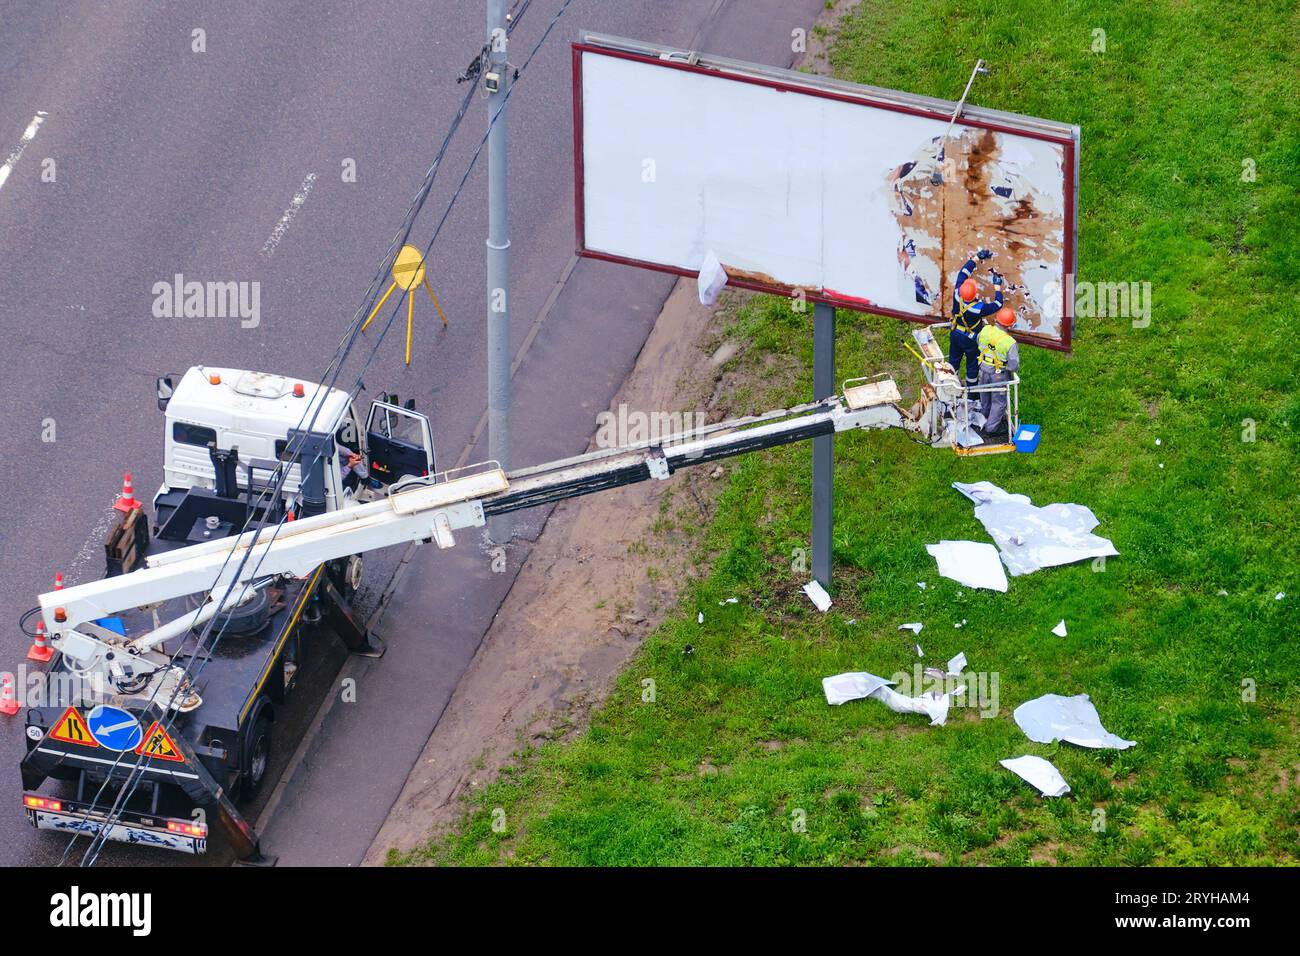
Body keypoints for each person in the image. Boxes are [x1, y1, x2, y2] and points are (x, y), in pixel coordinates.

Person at [949, 248, 1003, 390]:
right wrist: (997, 287)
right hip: (970, 339)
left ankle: (951, 387)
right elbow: (998, 304)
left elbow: (963, 273)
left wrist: (976, 258)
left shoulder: (957, 294)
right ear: (974, 294)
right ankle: (972, 393)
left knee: (953, 360)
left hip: (955, 333)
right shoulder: (979, 308)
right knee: (972, 364)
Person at [977, 307, 1020, 442]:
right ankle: (991, 428)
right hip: (998, 374)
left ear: (996, 319)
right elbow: (1014, 365)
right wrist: (1006, 367)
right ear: (1010, 325)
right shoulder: (1009, 342)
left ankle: (984, 417)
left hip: (983, 368)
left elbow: (978, 341)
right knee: (999, 402)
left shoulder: (985, 330)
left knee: (984, 395)